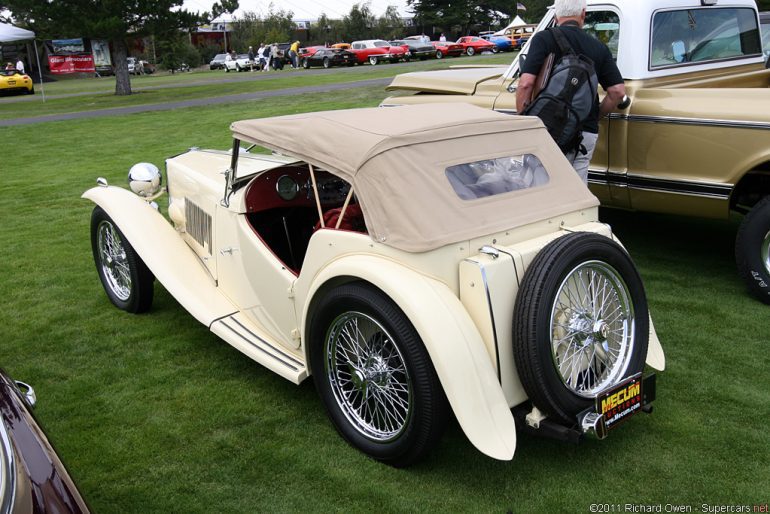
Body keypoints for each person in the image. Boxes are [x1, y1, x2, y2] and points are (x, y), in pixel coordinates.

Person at [515, 0, 625, 184]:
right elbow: (617, 92)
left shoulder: (543, 39)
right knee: (577, 190)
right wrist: (596, 115)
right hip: (585, 131)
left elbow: (525, 84)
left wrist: (525, 121)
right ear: (583, 14)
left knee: (542, 187)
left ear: (556, 16)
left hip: (548, 128)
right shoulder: (598, 47)